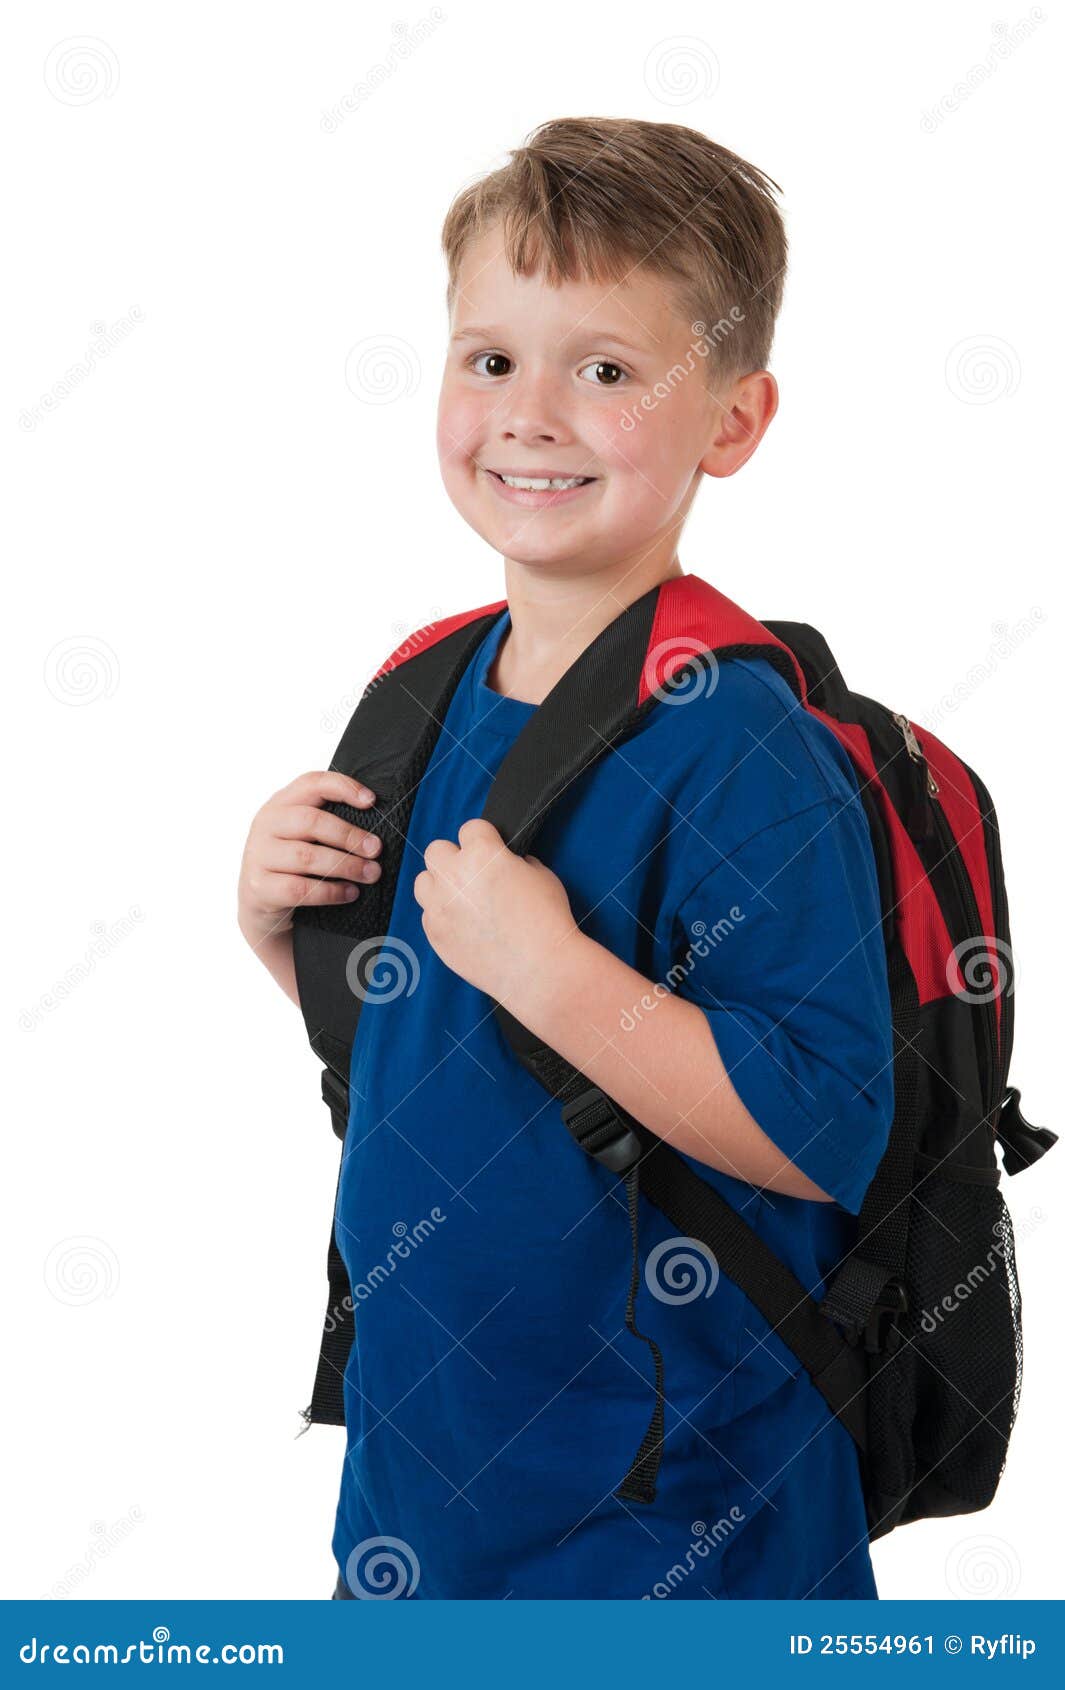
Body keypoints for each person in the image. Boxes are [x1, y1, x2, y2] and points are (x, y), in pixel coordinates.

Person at [238, 116, 894, 1600]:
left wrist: (551, 969)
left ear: (732, 421)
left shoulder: (737, 740)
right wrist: (291, 942)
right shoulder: (425, 689)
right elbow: (451, 1053)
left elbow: (823, 1130)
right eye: (490, 359)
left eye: (604, 371)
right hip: (423, 1493)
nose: (529, 414)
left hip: (679, 1526)